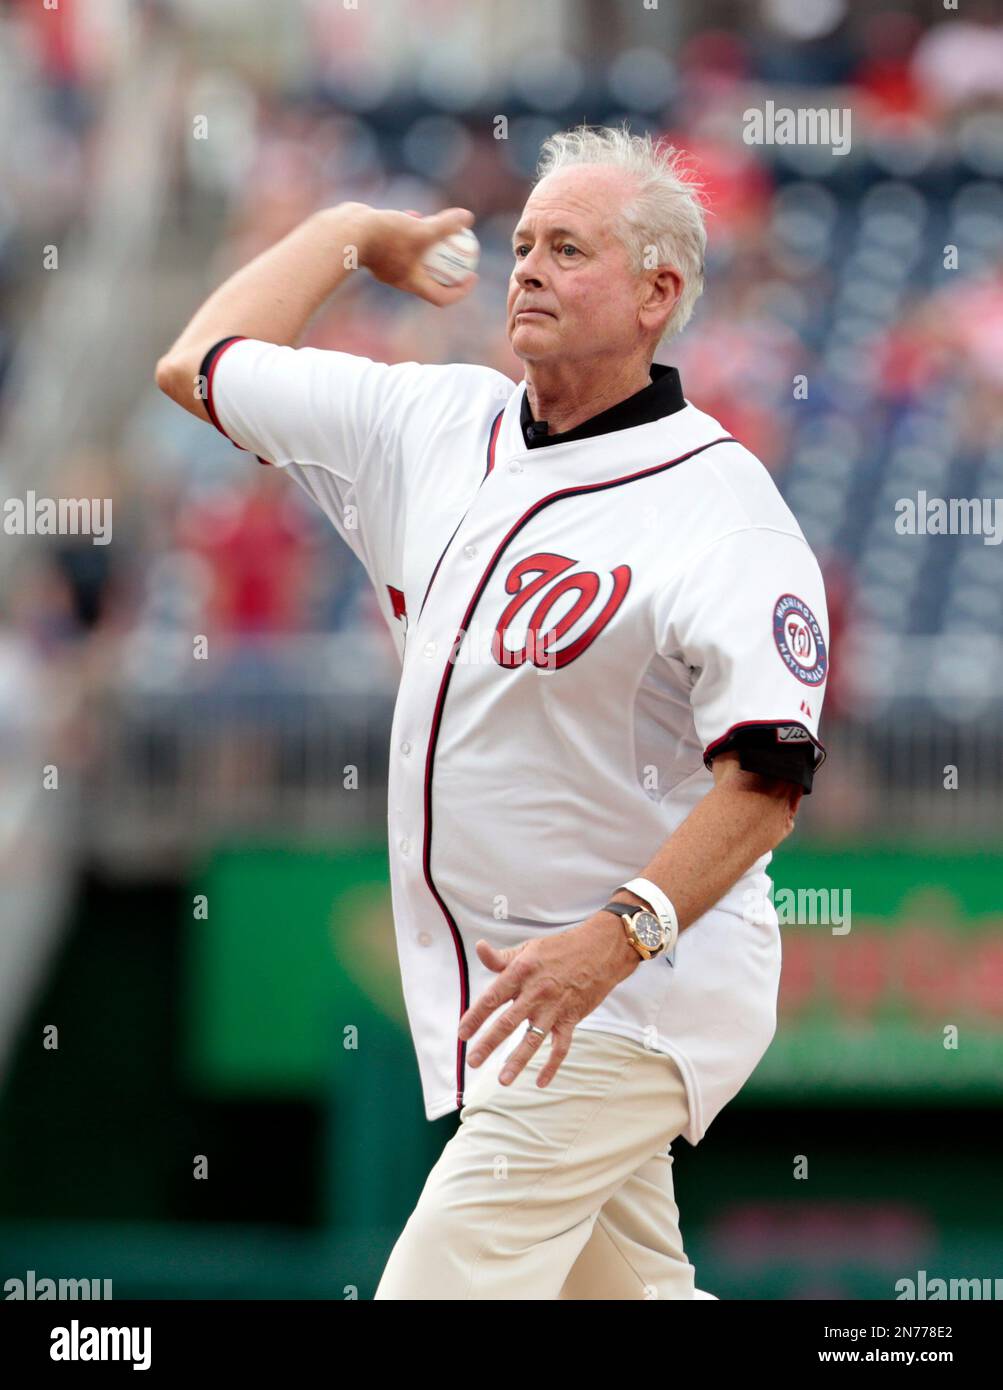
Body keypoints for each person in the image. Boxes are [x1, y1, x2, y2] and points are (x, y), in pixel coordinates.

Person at [156, 124, 829, 1300]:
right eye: (522, 242)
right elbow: (199, 361)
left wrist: (610, 941)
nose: (526, 267)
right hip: (523, 999)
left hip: (638, 991)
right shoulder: (432, 422)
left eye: (568, 248)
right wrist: (350, 235)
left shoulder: (722, 506)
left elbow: (767, 783)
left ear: (657, 291)